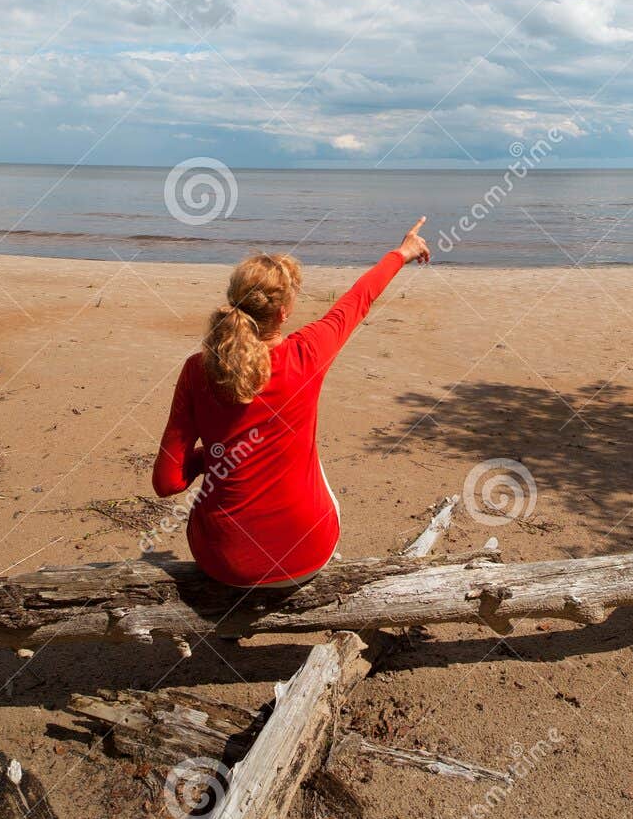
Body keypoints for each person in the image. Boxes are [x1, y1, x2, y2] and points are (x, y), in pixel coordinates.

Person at [151, 218, 431, 587]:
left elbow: (167, 482)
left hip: (224, 564)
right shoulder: (308, 352)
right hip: (306, 555)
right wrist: (402, 252)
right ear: (283, 313)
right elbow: (358, 299)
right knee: (317, 475)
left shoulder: (197, 370)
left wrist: (217, 455)